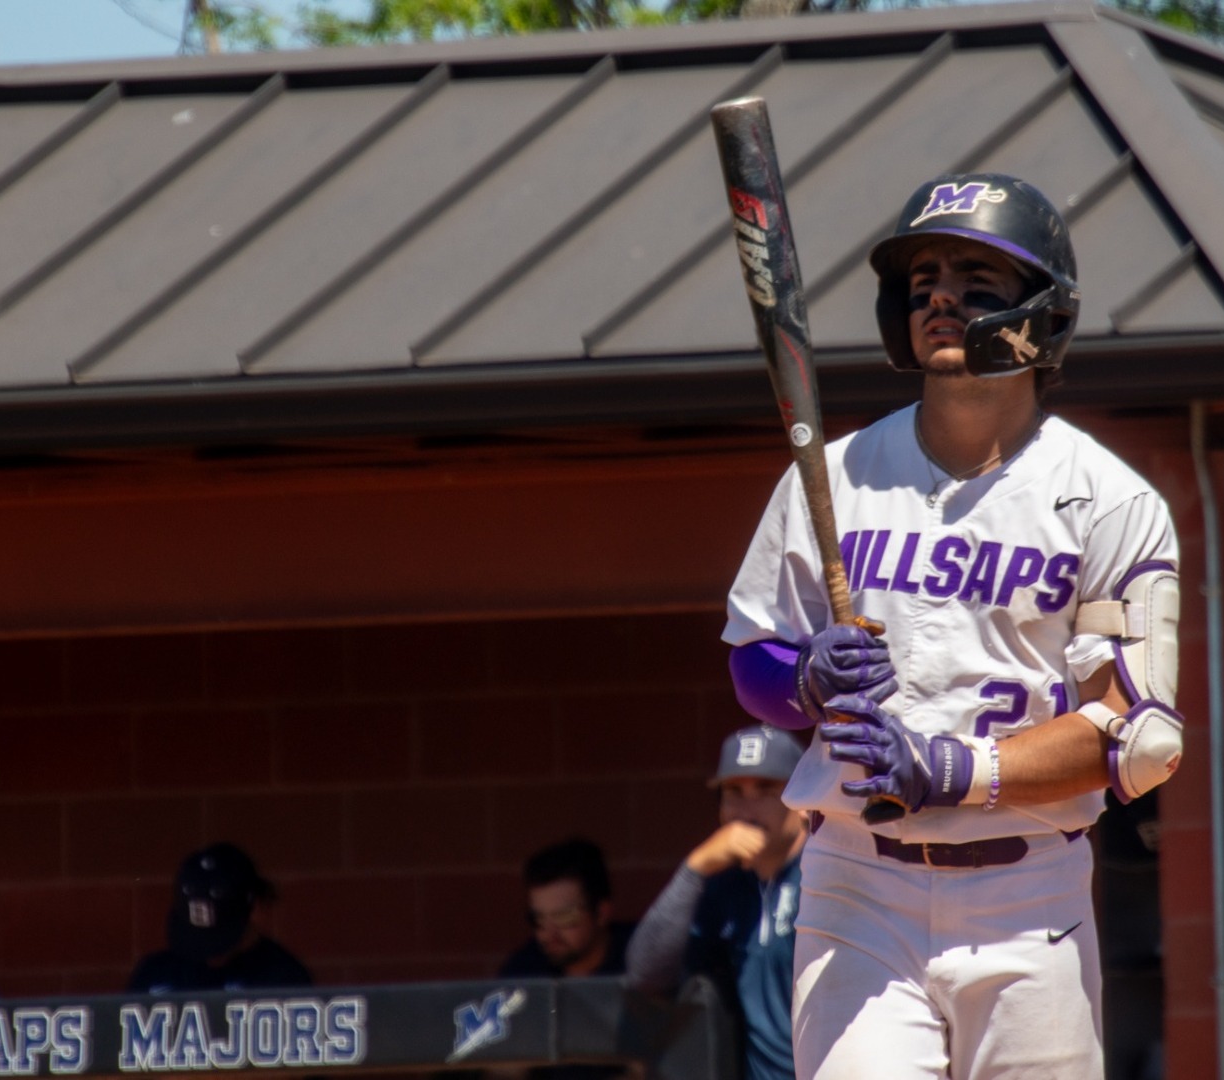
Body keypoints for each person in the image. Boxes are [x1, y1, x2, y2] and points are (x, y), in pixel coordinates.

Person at [723, 173, 1184, 1079]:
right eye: (925, 276)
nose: (941, 295)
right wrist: (803, 676)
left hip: (1029, 895)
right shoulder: (841, 473)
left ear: (1040, 314)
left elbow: (1138, 737)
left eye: (977, 279)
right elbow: (753, 661)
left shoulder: (1109, 500)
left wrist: (957, 771)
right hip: (857, 882)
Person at [626, 724, 808, 1080]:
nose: (746, 809)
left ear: (802, 801)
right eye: (733, 791)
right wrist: (695, 868)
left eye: (765, 790)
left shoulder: (826, 874)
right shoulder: (725, 889)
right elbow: (645, 974)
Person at [128, 842, 312, 993]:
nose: (208, 953)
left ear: (255, 909)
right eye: (195, 936)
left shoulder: (283, 977)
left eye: (219, 934)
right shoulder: (155, 973)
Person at [499, 838, 632, 980]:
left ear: (601, 913)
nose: (550, 933)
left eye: (564, 916)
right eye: (539, 919)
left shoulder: (643, 962)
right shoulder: (523, 973)